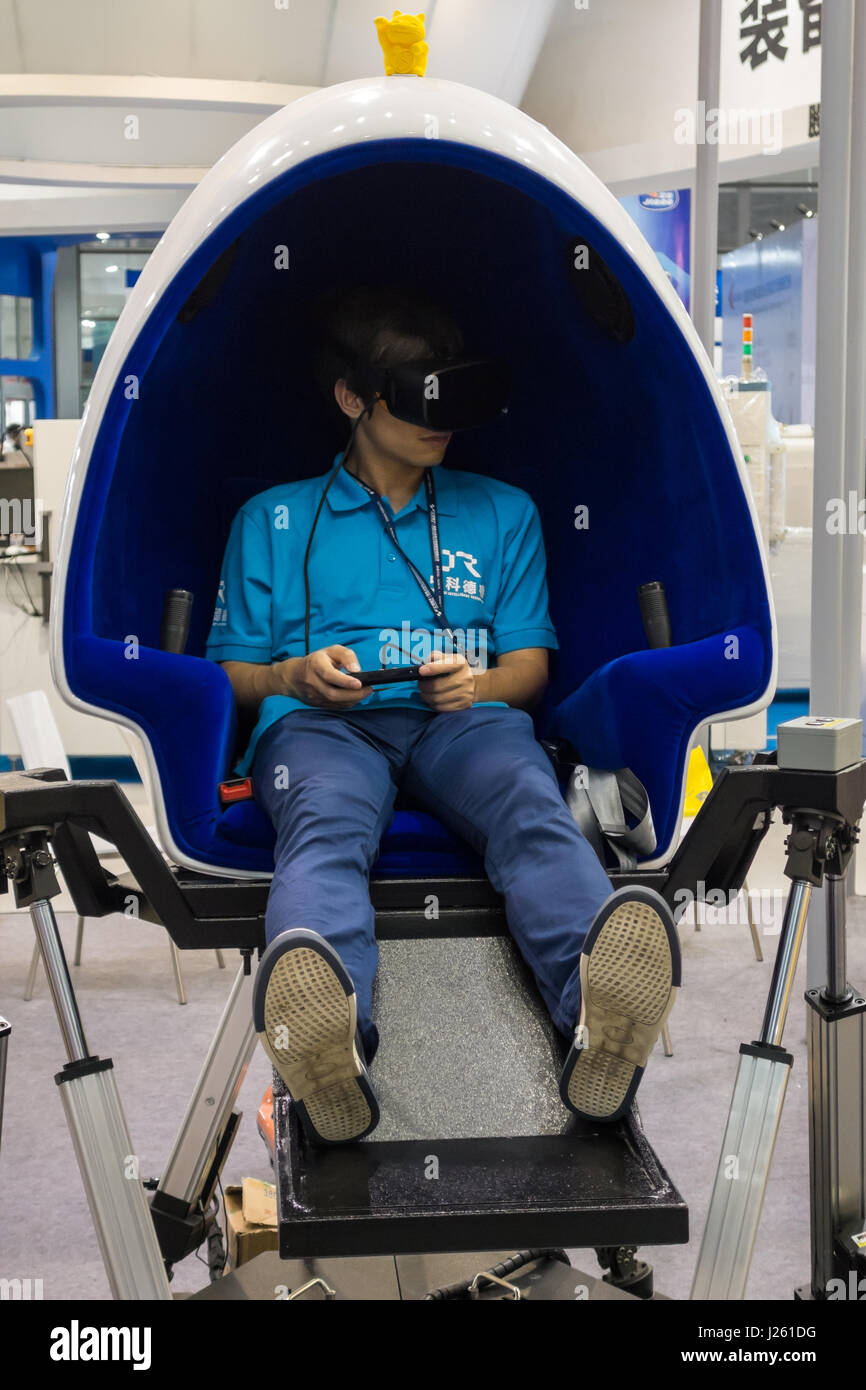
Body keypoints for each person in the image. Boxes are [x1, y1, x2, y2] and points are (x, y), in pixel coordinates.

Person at [205, 285, 680, 1146]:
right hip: (320, 726)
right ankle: (330, 1048)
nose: (442, 420)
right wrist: (292, 675)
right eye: (418, 393)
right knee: (324, 826)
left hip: (464, 720)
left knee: (530, 807)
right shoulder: (270, 519)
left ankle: (598, 1020)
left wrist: (477, 685)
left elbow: (529, 669)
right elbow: (228, 676)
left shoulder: (503, 510)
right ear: (353, 397)